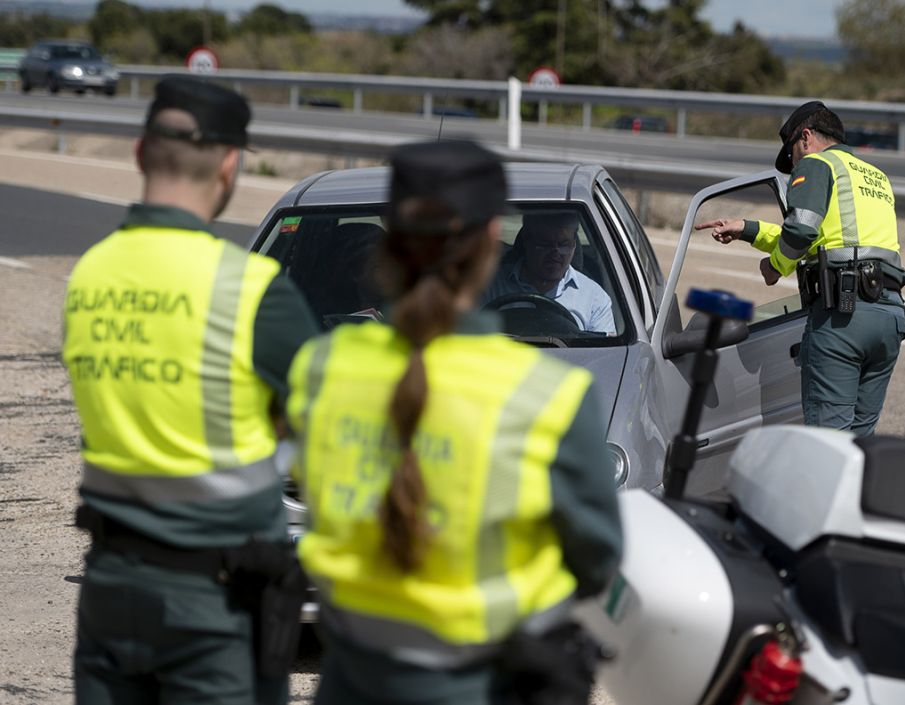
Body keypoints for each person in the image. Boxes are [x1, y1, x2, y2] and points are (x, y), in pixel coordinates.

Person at [286, 139, 624, 705]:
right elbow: (596, 559)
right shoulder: (548, 394)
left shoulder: (319, 369)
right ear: (495, 240)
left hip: (351, 677)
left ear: (389, 242)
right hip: (481, 680)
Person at [62, 75, 319, 705]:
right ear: (230, 166)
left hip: (109, 593)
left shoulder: (88, 274)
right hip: (217, 607)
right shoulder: (253, 291)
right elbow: (326, 439)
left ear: (139, 152)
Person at [696, 101, 905, 436]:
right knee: (860, 446)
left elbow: (801, 231)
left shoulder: (816, 165)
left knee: (829, 445)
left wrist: (774, 266)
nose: (794, 164)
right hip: (889, 318)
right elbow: (826, 240)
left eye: (793, 153)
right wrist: (748, 229)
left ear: (806, 138)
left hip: (843, 318)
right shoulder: (874, 176)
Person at [482, 210, 616, 334]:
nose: (555, 253)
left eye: (564, 244)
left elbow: (608, 355)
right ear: (526, 240)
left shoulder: (595, 300)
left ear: (574, 244)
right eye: (545, 244)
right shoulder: (489, 288)